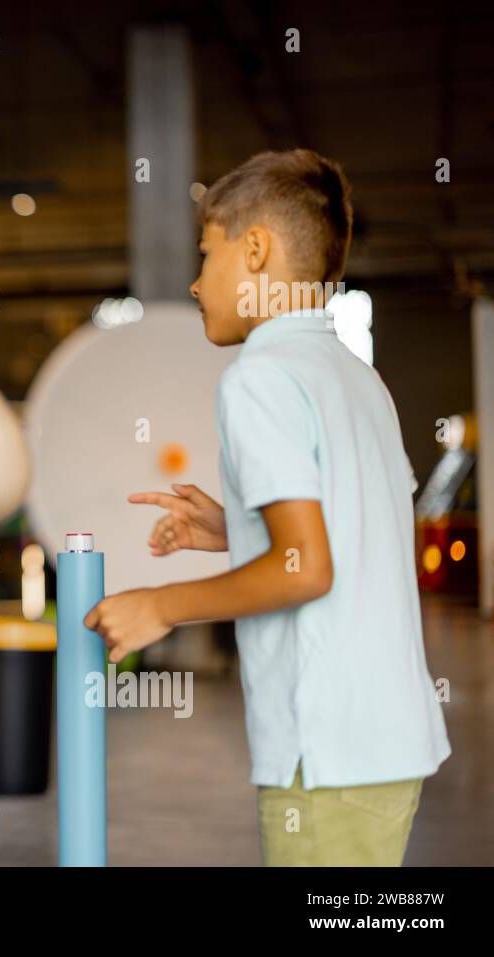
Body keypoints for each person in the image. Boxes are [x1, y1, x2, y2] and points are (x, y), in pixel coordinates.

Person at [85, 149, 450, 866]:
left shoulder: (260, 377)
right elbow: (357, 530)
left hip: (325, 754)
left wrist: (163, 605)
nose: (193, 281)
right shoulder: (354, 374)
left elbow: (307, 569)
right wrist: (236, 525)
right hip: (387, 741)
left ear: (254, 249)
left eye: (205, 253)